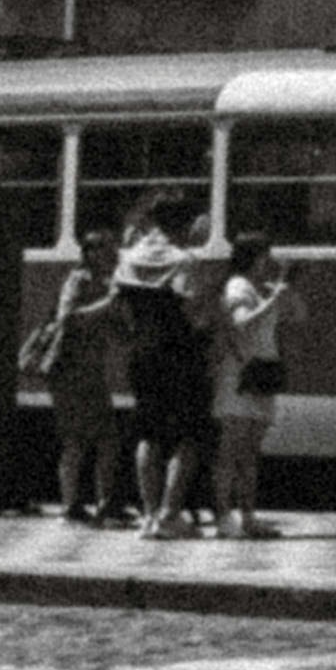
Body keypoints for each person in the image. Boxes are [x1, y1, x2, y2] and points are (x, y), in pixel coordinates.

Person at [114, 202, 218, 536]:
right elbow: (190, 313)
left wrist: (134, 337)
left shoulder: (128, 258)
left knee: (148, 433)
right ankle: (170, 513)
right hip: (180, 354)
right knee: (187, 436)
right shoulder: (182, 260)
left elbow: (118, 309)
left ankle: (148, 514)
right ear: (180, 225)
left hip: (142, 354)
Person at [31, 222, 126, 525]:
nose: (114, 253)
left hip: (92, 373)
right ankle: (71, 506)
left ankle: (105, 502)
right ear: (90, 252)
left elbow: (118, 331)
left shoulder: (106, 282)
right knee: (76, 440)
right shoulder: (78, 279)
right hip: (69, 370)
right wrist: (107, 304)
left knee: (107, 438)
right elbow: (67, 318)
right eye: (106, 248)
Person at [209, 233, 293, 541]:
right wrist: (273, 302)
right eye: (264, 255)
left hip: (259, 375)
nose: (268, 261)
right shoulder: (238, 286)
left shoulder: (260, 287)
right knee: (231, 450)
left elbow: (297, 314)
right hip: (240, 377)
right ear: (252, 257)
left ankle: (247, 516)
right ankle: (223, 516)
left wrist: (281, 288)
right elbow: (242, 322)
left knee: (249, 453)